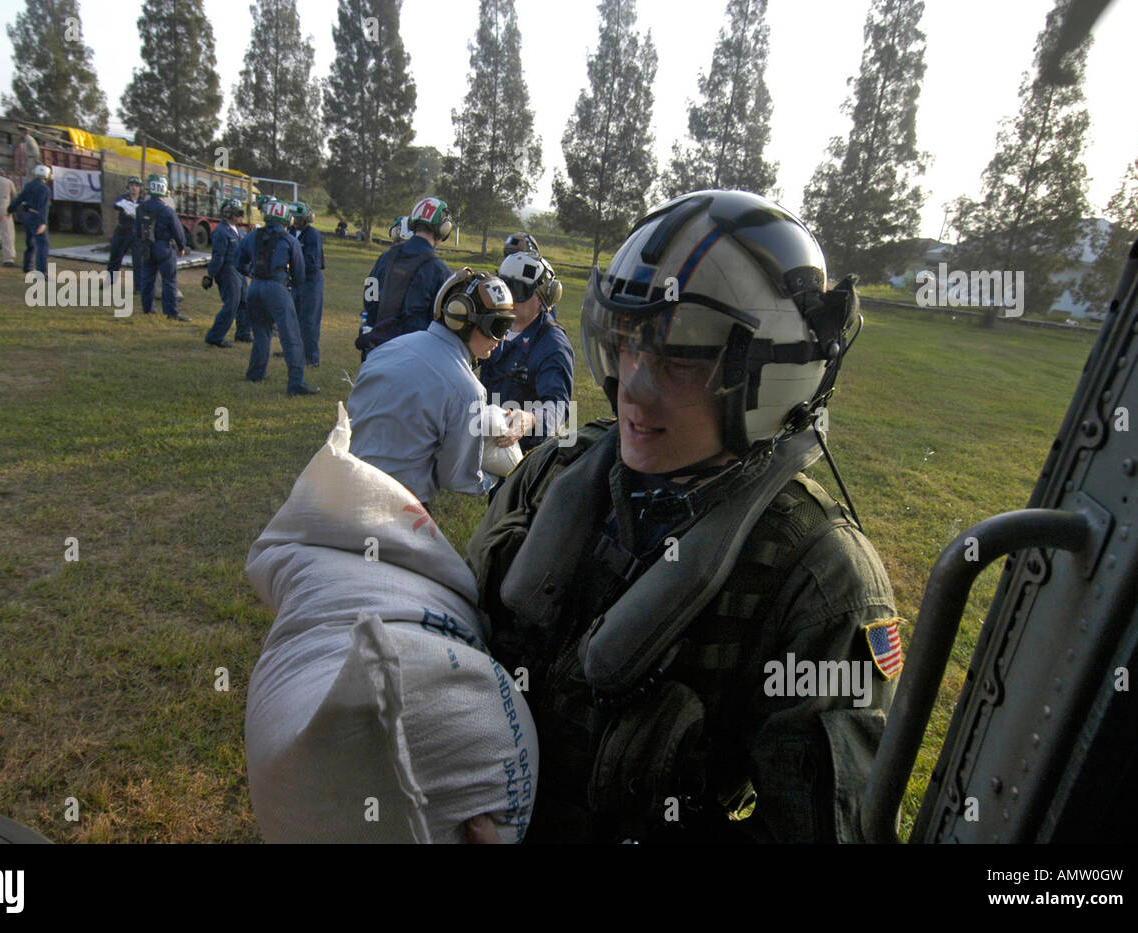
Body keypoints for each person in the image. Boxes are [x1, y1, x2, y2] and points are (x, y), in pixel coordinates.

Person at [464, 189, 902, 844]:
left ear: (773, 377)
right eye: (629, 347)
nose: (634, 389)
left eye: (679, 361)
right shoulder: (552, 475)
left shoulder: (821, 581)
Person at [347, 267, 515, 507]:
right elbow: (457, 478)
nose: (501, 340)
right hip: (399, 506)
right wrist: (497, 475)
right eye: (498, 328)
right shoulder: (467, 391)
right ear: (461, 319)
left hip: (347, 481)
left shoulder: (388, 348)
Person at [478, 251, 574, 455]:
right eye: (505, 287)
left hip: (525, 454)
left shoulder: (552, 344)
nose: (509, 297)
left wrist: (530, 419)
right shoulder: (493, 326)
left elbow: (558, 405)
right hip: (489, 441)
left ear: (542, 298)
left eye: (519, 290)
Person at [356, 196, 454, 359]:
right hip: (415, 355)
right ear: (444, 229)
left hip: (378, 346)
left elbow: (369, 291)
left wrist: (375, 321)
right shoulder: (440, 271)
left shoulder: (386, 257)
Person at [235, 200, 315, 395]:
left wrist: (252, 274)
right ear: (286, 218)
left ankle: (255, 373)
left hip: (255, 287)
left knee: (261, 333)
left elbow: (238, 261)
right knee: (291, 336)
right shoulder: (289, 240)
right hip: (277, 288)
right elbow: (299, 273)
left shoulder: (252, 235)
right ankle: (296, 382)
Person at [135, 174, 190, 321]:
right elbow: (178, 231)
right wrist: (181, 246)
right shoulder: (167, 210)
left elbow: (137, 230)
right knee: (169, 280)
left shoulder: (141, 208)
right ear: (164, 190)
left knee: (147, 279)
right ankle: (172, 312)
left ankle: (148, 308)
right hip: (164, 247)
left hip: (147, 247)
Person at [203, 198, 252, 347]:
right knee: (232, 304)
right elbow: (218, 256)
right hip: (228, 271)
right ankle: (215, 336)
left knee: (245, 302)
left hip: (239, 271)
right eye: (237, 213)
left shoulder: (240, 231)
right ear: (228, 213)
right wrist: (210, 275)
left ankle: (243, 333)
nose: (240, 216)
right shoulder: (221, 232)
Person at [289, 202, 325, 368]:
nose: (296, 221)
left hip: (310, 281)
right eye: (294, 217)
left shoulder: (312, 235)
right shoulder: (289, 232)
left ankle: (311, 358)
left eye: (299, 218)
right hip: (294, 280)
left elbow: (312, 261)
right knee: (293, 318)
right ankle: (293, 352)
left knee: (308, 321)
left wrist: (292, 263)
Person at [7, 164, 52, 275]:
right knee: (42, 245)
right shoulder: (45, 189)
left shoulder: (29, 185)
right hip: (37, 217)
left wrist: (9, 210)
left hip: (27, 215)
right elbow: (43, 207)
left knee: (30, 242)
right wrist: (43, 222)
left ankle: (27, 266)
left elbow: (19, 198)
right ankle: (41, 271)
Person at [106, 176, 145, 295]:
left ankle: (138, 287)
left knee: (138, 261)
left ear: (140, 188)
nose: (134, 188)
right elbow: (116, 205)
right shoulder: (123, 198)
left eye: (137, 186)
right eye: (132, 185)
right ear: (128, 187)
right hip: (122, 231)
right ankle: (110, 281)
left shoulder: (143, 202)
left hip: (136, 233)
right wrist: (127, 206)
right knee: (115, 257)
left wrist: (134, 210)